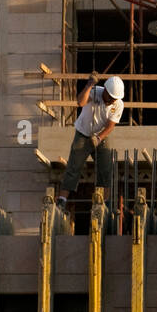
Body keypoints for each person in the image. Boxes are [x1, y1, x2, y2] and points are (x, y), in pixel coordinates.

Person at [56, 73, 125, 211]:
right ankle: (62, 200)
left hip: (101, 136)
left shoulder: (118, 104)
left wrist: (99, 138)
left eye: (115, 98)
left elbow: (110, 126)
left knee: (105, 168)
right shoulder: (94, 92)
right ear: (105, 90)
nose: (112, 101)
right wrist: (89, 85)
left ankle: (104, 203)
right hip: (83, 133)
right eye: (111, 97)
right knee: (73, 166)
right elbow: (80, 102)